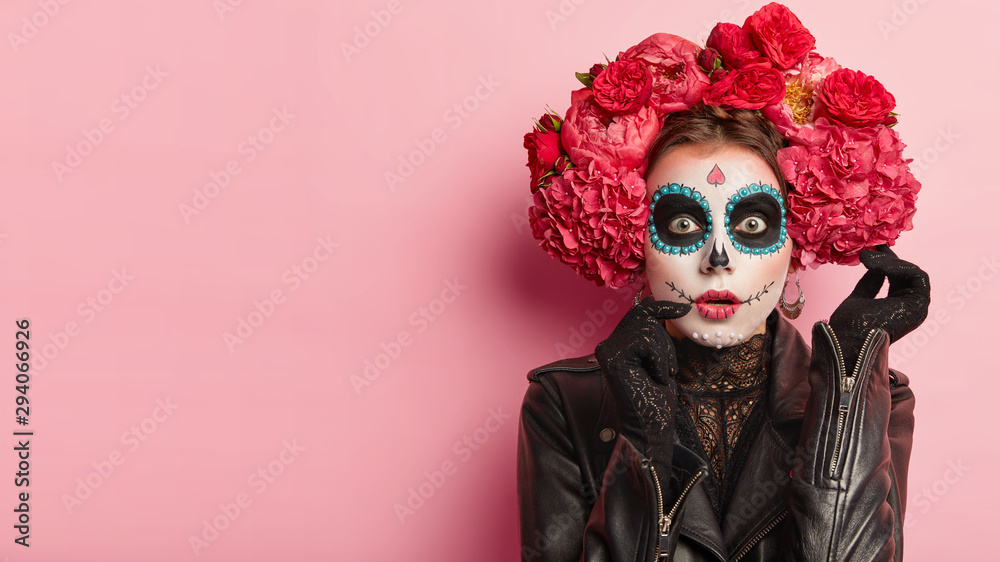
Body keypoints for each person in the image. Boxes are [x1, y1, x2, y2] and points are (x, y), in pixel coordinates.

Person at [517, 4, 929, 561]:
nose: (717, 258)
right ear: (634, 235)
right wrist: (644, 449)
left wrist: (848, 384)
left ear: (796, 240)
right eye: (684, 223)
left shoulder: (874, 398)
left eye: (753, 225)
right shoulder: (566, 404)